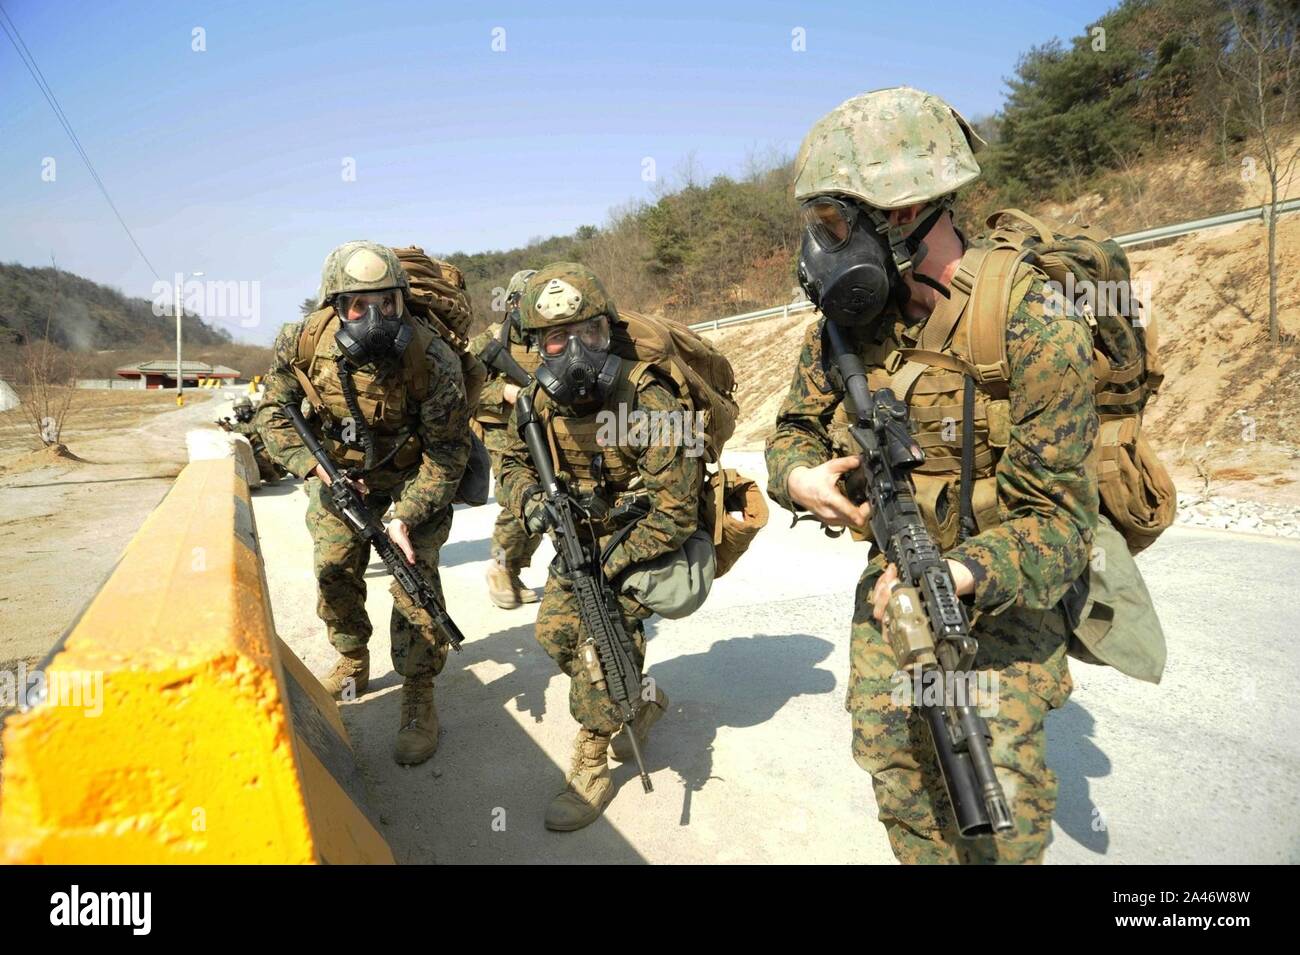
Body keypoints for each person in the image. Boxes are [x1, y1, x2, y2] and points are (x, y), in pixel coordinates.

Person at [765, 87, 1099, 864]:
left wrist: (957, 569)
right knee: (902, 782)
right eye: (822, 223)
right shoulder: (847, 324)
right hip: (891, 593)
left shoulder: (1031, 318)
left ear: (906, 210)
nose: (825, 246)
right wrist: (800, 479)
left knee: (999, 823)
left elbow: (1063, 527)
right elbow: (790, 432)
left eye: (838, 222)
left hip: (1002, 602)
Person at [496, 262, 696, 831]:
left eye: (591, 334)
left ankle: (591, 757)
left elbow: (676, 511)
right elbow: (509, 467)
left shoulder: (650, 397)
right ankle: (638, 700)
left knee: (601, 648)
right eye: (558, 339)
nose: (576, 350)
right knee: (555, 635)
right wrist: (533, 505)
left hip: (642, 539)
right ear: (537, 345)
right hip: (576, 536)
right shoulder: (534, 401)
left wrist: (611, 564)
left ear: (608, 330)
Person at [256, 240, 471, 766]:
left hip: (412, 481)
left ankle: (418, 694)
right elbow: (273, 412)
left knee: (414, 585)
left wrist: (406, 515)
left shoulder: (431, 355)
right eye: (358, 305)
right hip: (337, 476)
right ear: (335, 306)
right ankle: (352, 659)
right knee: (334, 568)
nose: (375, 318)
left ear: (401, 299)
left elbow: (448, 450)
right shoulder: (304, 341)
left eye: (388, 303)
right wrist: (314, 469)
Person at [467, 269, 544, 608]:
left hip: (542, 430)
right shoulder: (491, 341)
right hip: (503, 433)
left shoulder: (552, 335)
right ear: (511, 303)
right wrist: (506, 391)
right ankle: (498, 565)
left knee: (545, 507)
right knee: (518, 502)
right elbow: (464, 388)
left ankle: (512, 569)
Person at [217, 396, 284, 483]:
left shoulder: (257, 417)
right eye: (237, 409)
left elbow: (251, 428)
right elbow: (241, 433)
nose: (240, 411)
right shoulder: (242, 422)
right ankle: (276, 471)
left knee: (256, 455)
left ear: (250, 408)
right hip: (260, 449)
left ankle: (273, 476)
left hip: (267, 448)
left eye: (243, 408)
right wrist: (226, 428)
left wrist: (232, 427)